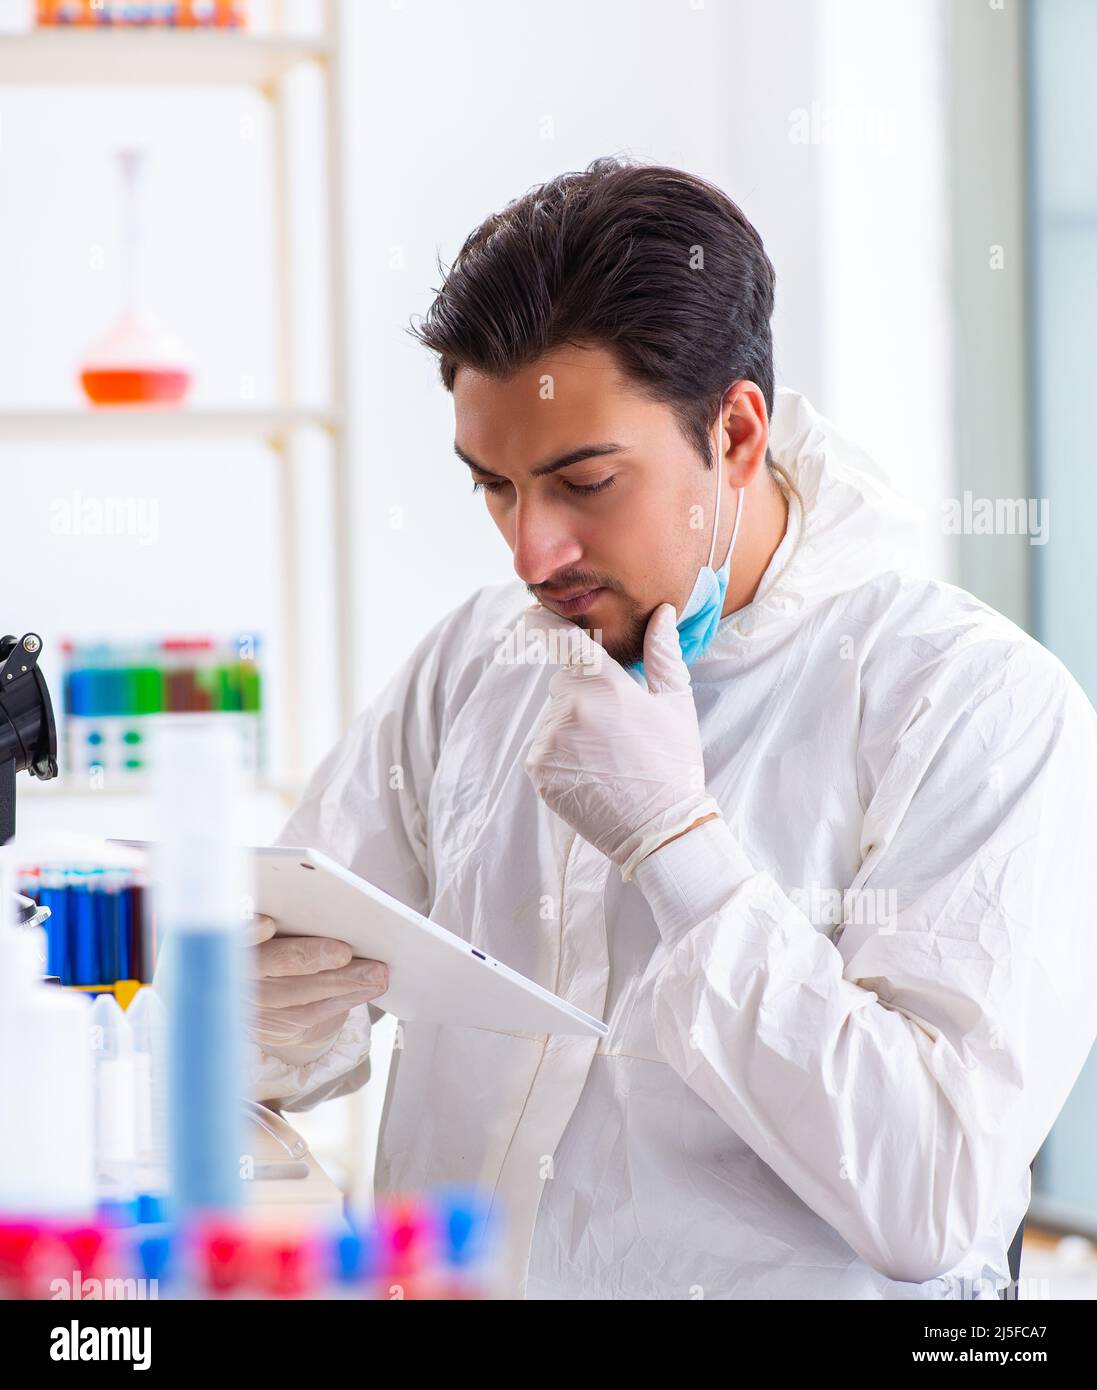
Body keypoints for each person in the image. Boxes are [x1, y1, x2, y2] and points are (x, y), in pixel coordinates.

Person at [248, 157, 1097, 1300]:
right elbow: (296, 1001)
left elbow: (927, 1195)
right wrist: (252, 1013)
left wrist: (678, 845)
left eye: (583, 480)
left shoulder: (975, 706)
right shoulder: (476, 658)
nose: (528, 553)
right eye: (491, 487)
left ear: (735, 432)